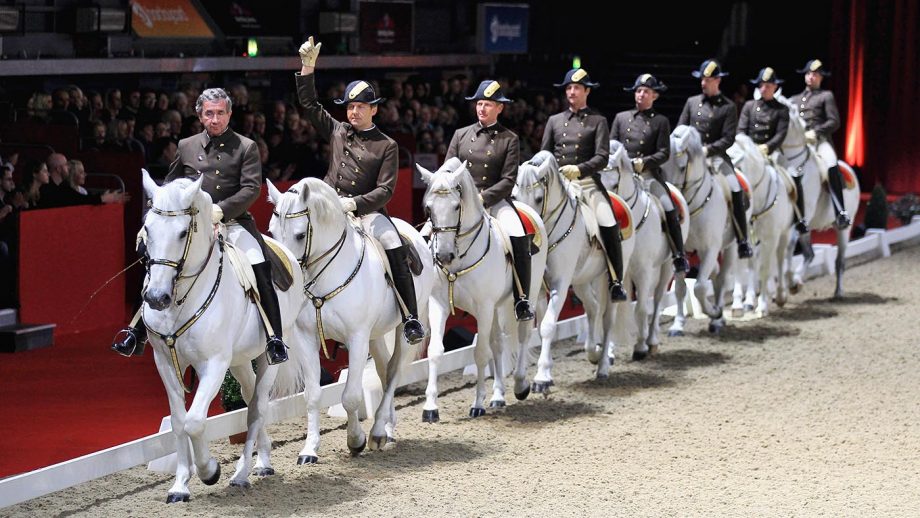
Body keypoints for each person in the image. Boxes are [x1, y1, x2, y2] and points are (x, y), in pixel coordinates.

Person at [111, 88, 290, 365]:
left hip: (233, 221)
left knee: (258, 263)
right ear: (200, 115)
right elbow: (166, 188)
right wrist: (151, 223)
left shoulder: (246, 147)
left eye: (220, 113)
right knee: (155, 260)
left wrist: (222, 210)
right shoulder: (186, 146)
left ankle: (274, 338)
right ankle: (136, 330)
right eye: (209, 114)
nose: (215, 119)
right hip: (193, 226)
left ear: (229, 114)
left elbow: (251, 189)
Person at [295, 36, 425, 344]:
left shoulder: (387, 145)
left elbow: (386, 191)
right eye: (350, 107)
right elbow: (310, 105)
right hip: (329, 209)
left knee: (393, 242)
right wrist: (307, 67)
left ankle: (410, 316)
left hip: (365, 213)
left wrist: (353, 205)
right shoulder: (338, 131)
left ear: (374, 110)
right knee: (296, 232)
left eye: (360, 107)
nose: (353, 112)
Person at [445, 79, 534, 321]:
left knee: (517, 233)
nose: (482, 109)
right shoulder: (461, 135)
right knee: (428, 235)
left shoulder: (509, 139)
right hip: (460, 203)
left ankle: (522, 298)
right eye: (479, 104)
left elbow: (508, 180)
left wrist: (483, 198)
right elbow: (447, 172)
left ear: (500, 108)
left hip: (493, 200)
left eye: (488, 105)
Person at [541, 68, 627, 301]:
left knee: (608, 221)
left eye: (576, 88)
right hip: (558, 184)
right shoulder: (554, 121)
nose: (571, 91)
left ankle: (616, 280)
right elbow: (544, 154)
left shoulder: (598, 121)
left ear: (587, 91)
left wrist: (580, 169)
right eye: (568, 88)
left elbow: (602, 157)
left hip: (586, 183)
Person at [611, 74, 689, 273]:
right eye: (638, 91)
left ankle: (679, 254)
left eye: (646, 91)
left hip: (648, 176)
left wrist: (643, 163)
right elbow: (612, 147)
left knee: (668, 206)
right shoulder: (621, 118)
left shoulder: (661, 121)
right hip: (622, 175)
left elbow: (664, 152)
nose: (641, 95)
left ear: (654, 96)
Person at [679, 59, 753, 258]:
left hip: (717, 158)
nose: (704, 83)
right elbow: (681, 130)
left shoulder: (728, 107)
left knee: (735, 188)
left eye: (708, 79)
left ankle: (742, 239)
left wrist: (708, 151)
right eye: (702, 79)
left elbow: (729, 138)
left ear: (718, 81)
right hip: (692, 158)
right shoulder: (692, 102)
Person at [737, 67, 802, 230]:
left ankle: (799, 218)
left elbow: (780, 134)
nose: (764, 88)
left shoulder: (781, 109)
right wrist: (748, 147)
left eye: (768, 85)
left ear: (775, 87)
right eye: (762, 85)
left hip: (772, 154)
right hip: (749, 152)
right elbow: (741, 130)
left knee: (794, 176)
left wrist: (767, 147)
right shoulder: (749, 106)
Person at [790, 59, 850, 228]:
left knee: (831, 164)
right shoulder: (794, 99)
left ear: (821, 78)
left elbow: (834, 121)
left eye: (815, 75)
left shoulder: (826, 96)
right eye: (809, 74)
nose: (811, 77)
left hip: (819, 142)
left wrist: (816, 133)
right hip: (798, 145)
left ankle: (840, 212)